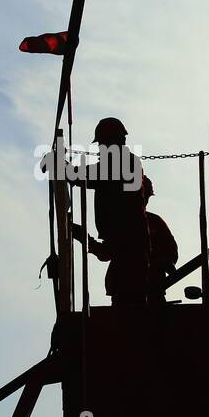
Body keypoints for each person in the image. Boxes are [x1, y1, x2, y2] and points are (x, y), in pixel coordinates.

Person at [69, 117, 151, 306]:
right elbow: (107, 253)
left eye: (103, 144)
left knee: (127, 305)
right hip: (127, 246)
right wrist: (85, 238)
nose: (100, 149)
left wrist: (60, 167)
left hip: (129, 250)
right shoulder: (123, 165)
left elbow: (86, 175)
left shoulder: (124, 165)